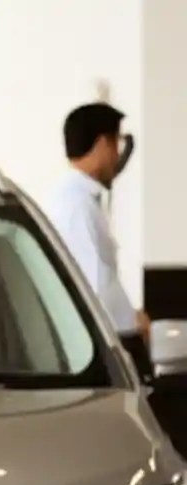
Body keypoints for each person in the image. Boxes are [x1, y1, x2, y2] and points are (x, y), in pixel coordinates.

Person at [42, 102, 151, 378]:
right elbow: (97, 282)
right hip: (100, 349)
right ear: (103, 144)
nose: (118, 156)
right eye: (116, 145)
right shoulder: (78, 205)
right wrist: (133, 325)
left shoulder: (75, 198)